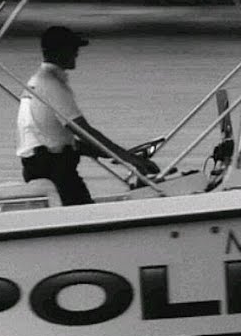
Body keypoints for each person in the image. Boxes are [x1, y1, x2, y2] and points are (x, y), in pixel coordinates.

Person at [16, 25, 159, 205]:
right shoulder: (51, 84)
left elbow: (62, 140)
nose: (77, 53)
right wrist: (129, 159)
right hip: (54, 170)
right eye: (73, 48)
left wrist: (116, 155)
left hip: (39, 165)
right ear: (58, 50)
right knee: (86, 213)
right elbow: (84, 131)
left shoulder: (36, 81)